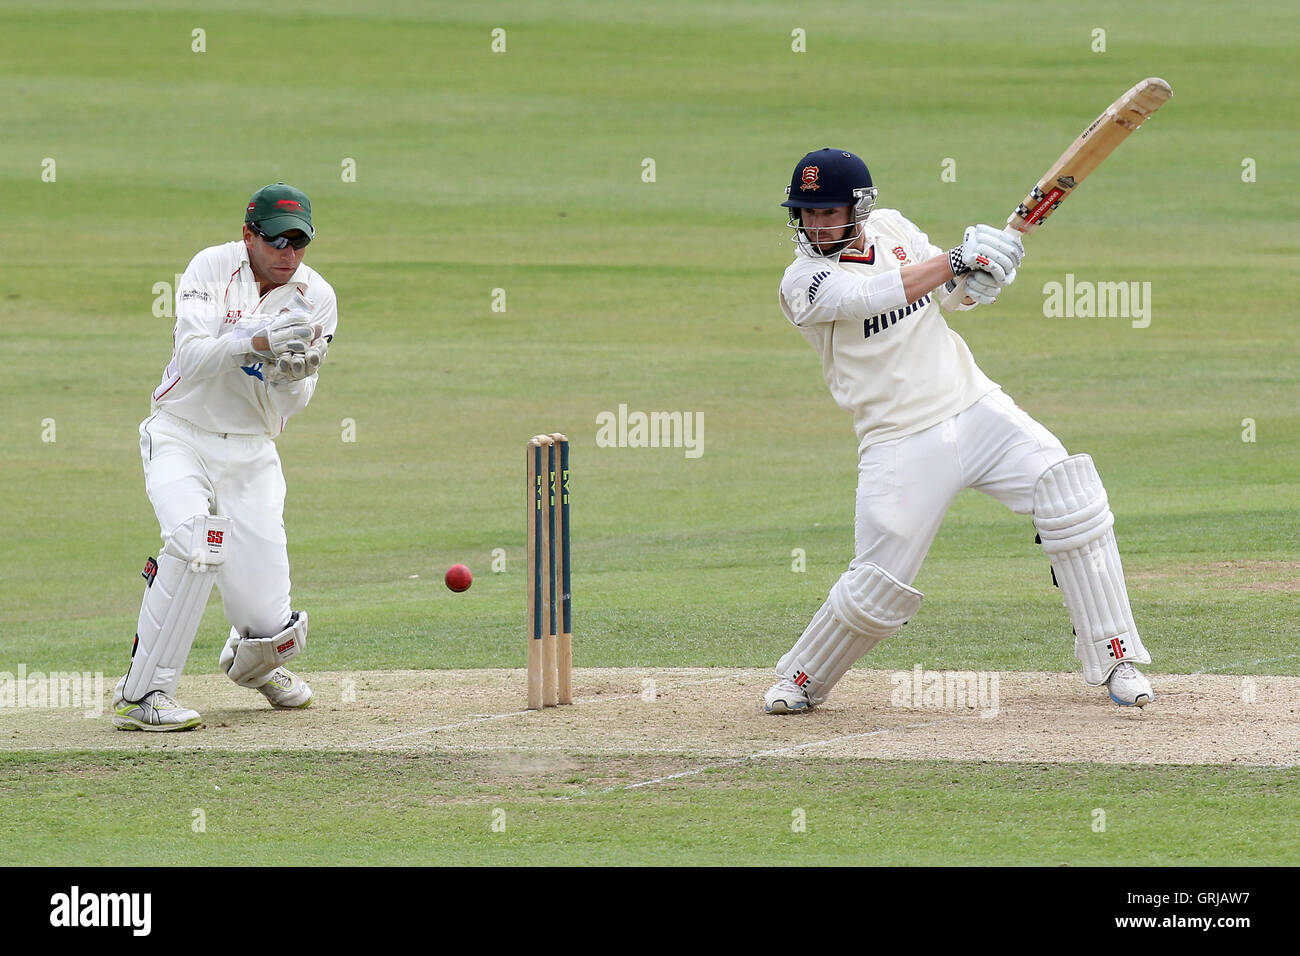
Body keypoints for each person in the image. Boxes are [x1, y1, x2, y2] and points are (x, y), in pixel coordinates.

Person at [764, 148, 1153, 715]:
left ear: (859, 209)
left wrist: (975, 281)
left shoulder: (892, 227)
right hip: (897, 438)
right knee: (877, 585)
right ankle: (804, 676)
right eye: (807, 213)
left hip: (973, 408)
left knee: (1070, 493)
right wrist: (955, 261)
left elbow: (948, 296)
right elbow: (870, 295)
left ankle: (1115, 656)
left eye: (829, 212)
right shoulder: (803, 281)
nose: (816, 224)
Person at [112, 183, 337, 731]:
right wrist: (257, 343)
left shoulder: (317, 297)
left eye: (299, 242)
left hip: (252, 451)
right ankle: (143, 694)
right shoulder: (211, 267)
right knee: (196, 544)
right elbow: (191, 357)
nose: (288, 253)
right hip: (180, 434)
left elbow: (293, 402)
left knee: (269, 623)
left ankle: (253, 663)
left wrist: (290, 376)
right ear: (248, 235)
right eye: (277, 240)